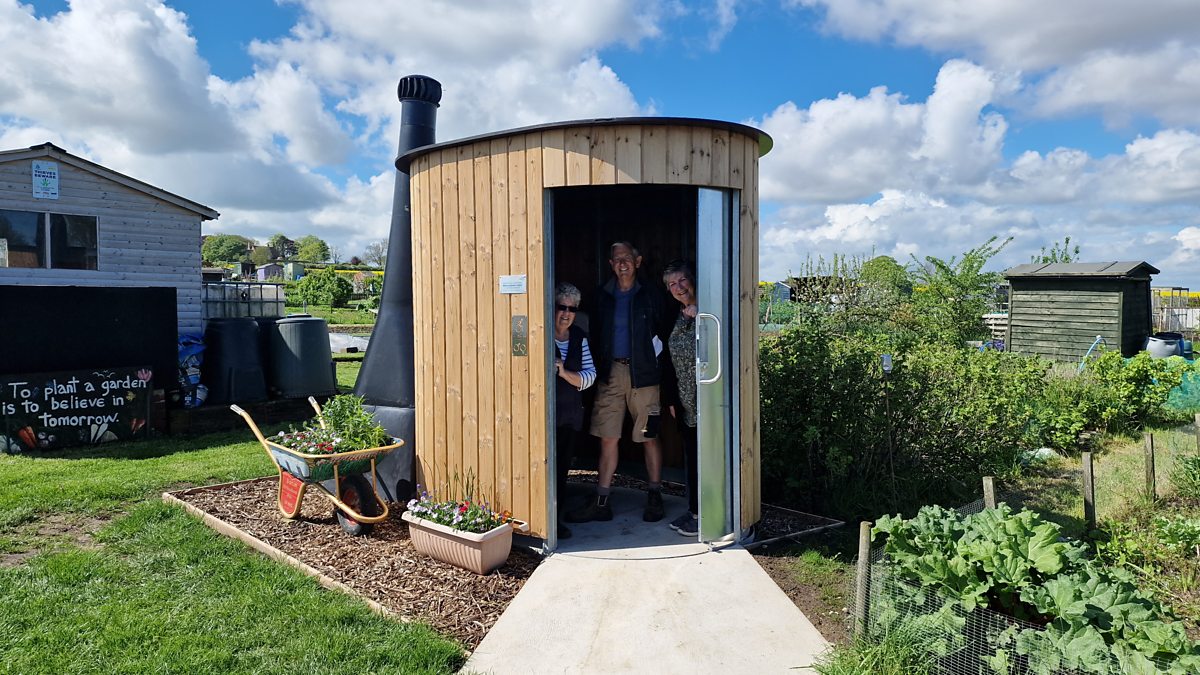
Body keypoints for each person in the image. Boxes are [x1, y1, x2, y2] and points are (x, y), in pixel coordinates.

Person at [567, 241, 668, 523]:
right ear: (610, 264)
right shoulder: (602, 296)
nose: (622, 263)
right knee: (607, 438)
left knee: (649, 436)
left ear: (638, 261)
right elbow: (591, 330)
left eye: (627, 258)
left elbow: (664, 332)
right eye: (616, 259)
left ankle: (654, 496)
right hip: (610, 373)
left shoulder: (651, 294)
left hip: (645, 376)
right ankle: (602, 502)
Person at [552, 282, 596, 540]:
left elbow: (590, 376)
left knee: (562, 469)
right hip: (546, 417)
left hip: (569, 416)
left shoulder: (579, 336)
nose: (566, 313)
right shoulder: (542, 332)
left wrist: (565, 374)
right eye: (562, 307)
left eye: (572, 309)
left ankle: (557, 520)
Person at [660, 260, 699, 537]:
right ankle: (696, 511)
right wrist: (672, 400)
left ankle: (707, 513)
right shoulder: (676, 315)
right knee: (693, 456)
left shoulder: (710, 310)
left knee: (710, 456)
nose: (678, 288)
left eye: (682, 280)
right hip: (686, 401)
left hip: (711, 397)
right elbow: (667, 361)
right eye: (672, 284)